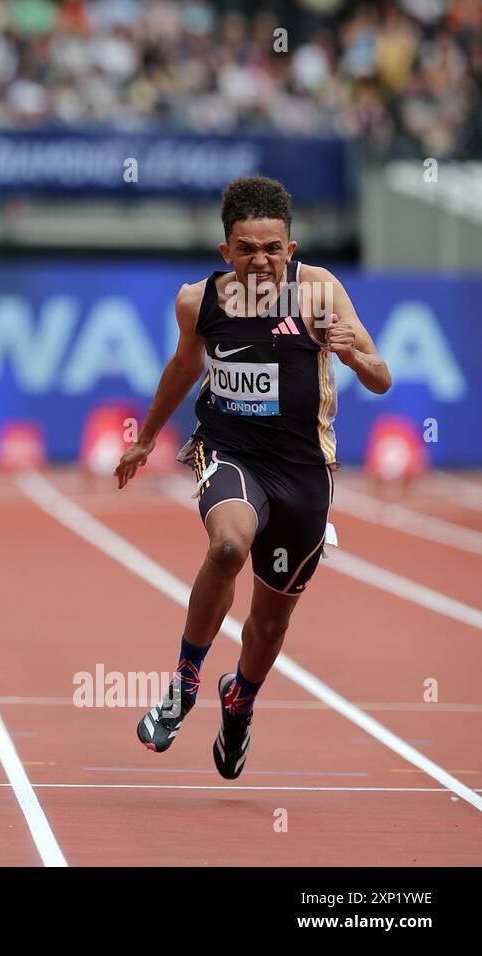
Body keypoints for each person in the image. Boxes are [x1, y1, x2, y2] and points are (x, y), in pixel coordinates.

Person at [115, 175, 390, 779]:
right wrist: (144, 438)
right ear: (226, 252)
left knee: (270, 622)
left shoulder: (319, 291)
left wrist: (351, 353)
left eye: (272, 248)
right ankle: (183, 684)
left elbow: (381, 376)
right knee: (229, 543)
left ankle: (239, 701)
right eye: (246, 249)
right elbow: (184, 368)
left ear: (290, 249)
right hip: (228, 449)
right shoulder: (198, 301)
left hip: (302, 471)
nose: (260, 261)